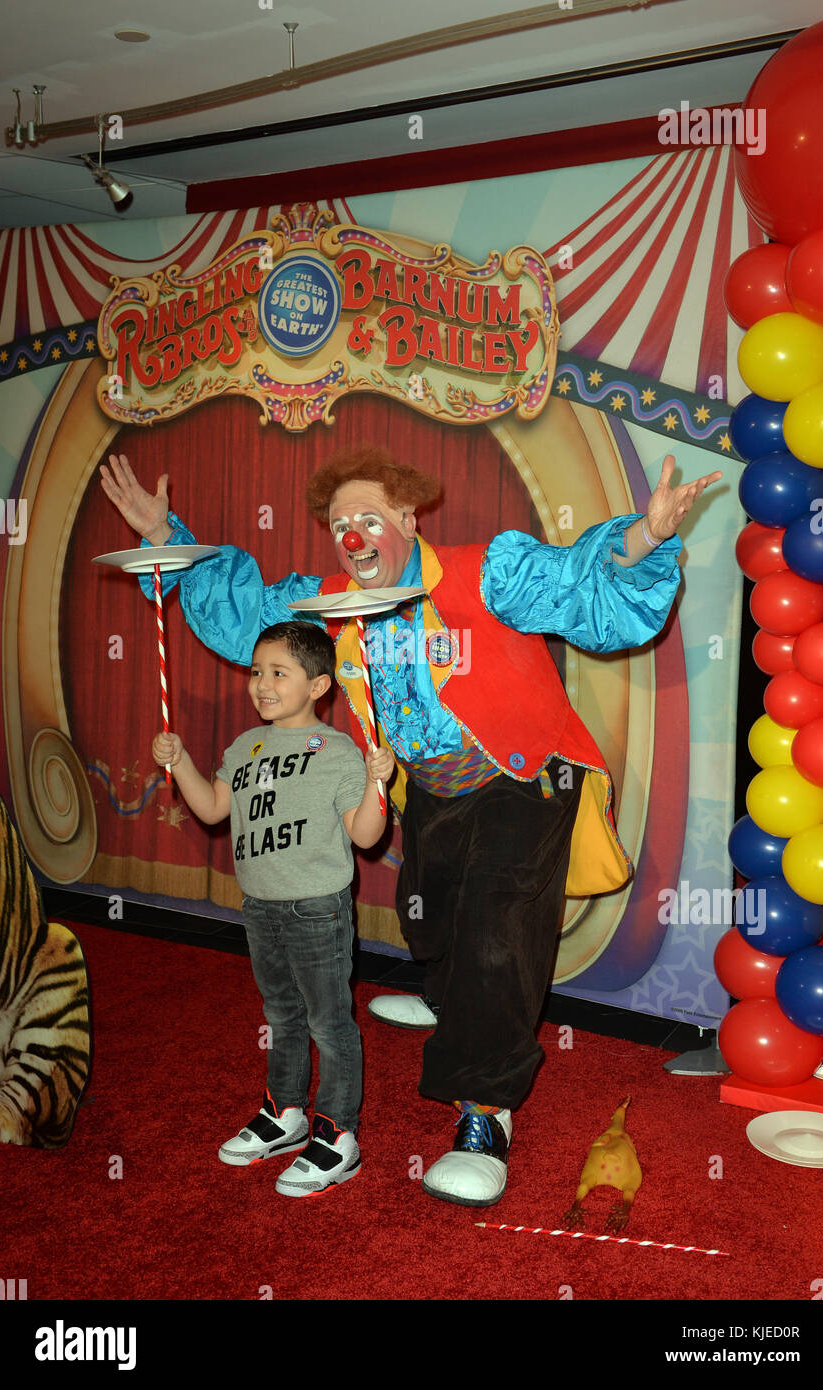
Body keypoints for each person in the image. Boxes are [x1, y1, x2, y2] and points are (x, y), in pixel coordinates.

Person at [104, 443, 720, 1208]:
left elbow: (575, 585)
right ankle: (451, 992)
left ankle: (485, 1118)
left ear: (406, 517)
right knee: (426, 919)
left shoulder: (486, 569)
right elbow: (250, 618)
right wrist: (170, 536)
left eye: (369, 517)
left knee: (495, 934)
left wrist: (644, 537)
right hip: (429, 788)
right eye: (338, 524)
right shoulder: (330, 603)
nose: (352, 536)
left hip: (523, 777)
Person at [151, 619, 394, 1196]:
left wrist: (375, 784)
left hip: (317, 910)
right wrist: (179, 759)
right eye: (256, 672)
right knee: (282, 1017)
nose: (261, 683)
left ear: (318, 686)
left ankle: (338, 1134)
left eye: (278, 673)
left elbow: (364, 836)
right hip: (259, 907)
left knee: (330, 1025)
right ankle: (286, 1114)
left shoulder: (336, 752)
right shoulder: (245, 746)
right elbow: (212, 808)